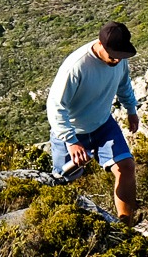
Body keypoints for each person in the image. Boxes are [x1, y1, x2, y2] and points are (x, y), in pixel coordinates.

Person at [46, 21, 141, 223]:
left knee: (126, 167)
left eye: (120, 55)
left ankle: (126, 227)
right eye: (113, 55)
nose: (117, 60)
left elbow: (124, 83)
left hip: (103, 125)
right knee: (66, 183)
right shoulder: (76, 67)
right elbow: (55, 106)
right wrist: (71, 141)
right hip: (72, 131)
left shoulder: (119, 58)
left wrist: (131, 109)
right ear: (100, 44)